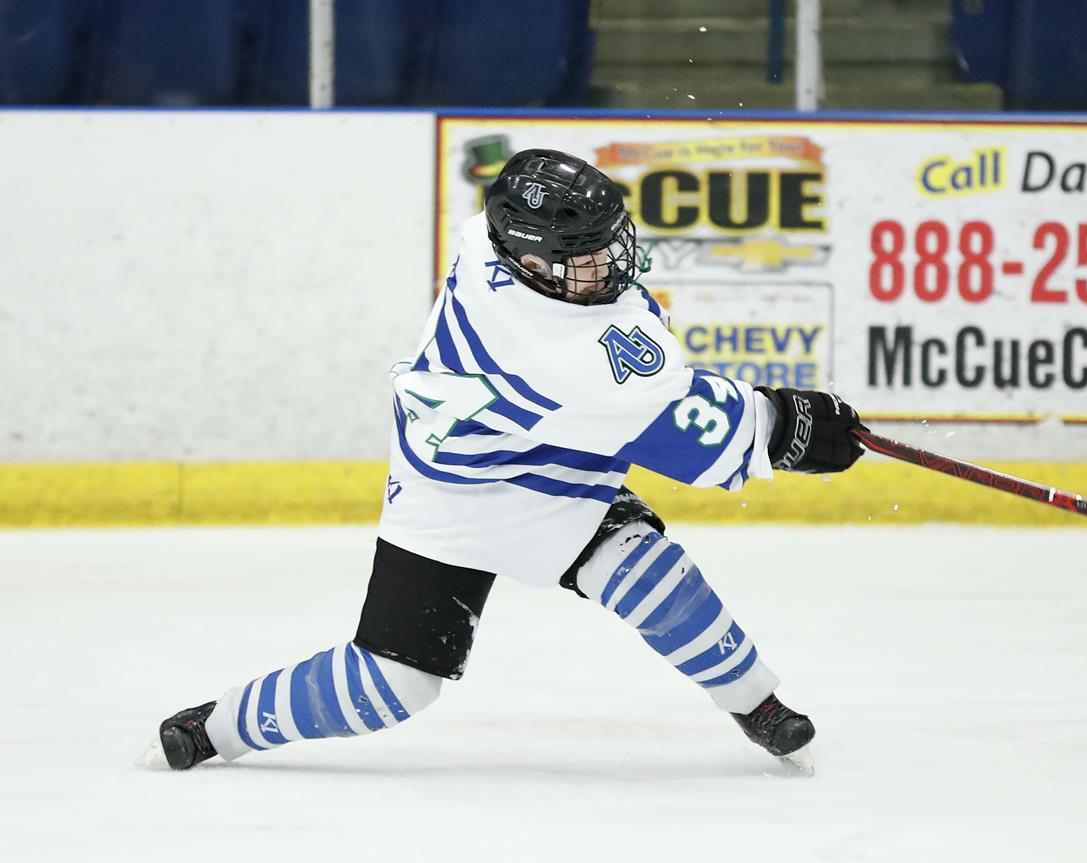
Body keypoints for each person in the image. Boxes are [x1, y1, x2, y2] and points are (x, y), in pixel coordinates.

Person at [153, 149, 864, 773]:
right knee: (393, 684)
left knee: (640, 565)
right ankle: (217, 727)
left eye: (606, 243)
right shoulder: (544, 344)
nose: (608, 264)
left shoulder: (489, 242)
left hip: (526, 441)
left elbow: (629, 384)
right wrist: (782, 425)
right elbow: (679, 425)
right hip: (455, 496)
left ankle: (757, 704)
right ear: (532, 263)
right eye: (584, 255)